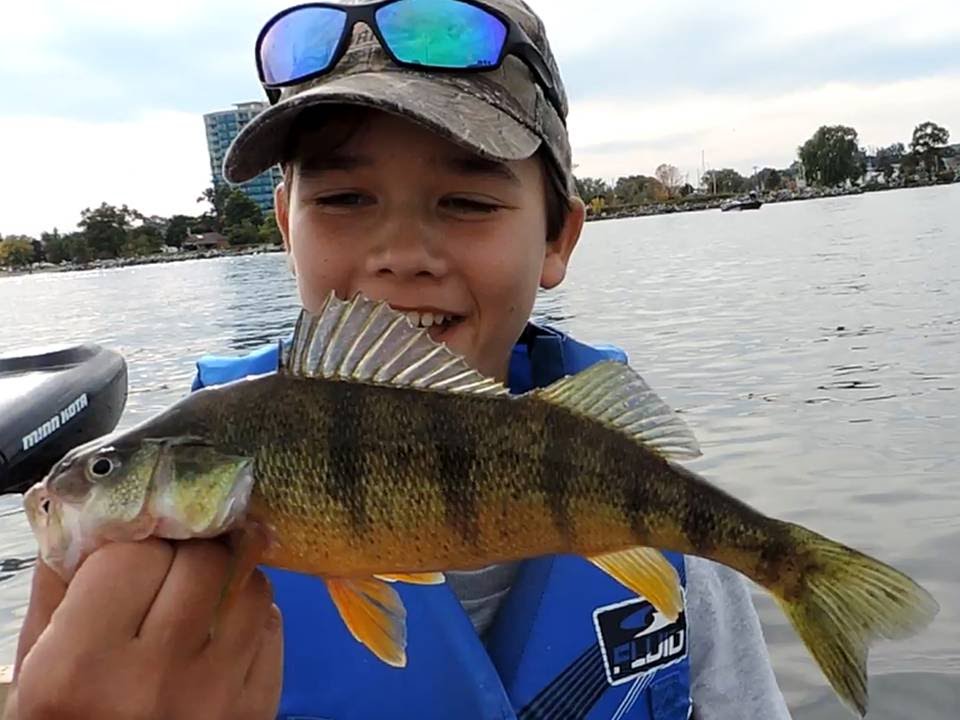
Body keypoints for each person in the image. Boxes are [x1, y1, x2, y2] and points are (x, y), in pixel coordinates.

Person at [6, 1, 791, 718]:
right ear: (285, 225)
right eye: (345, 199)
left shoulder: (652, 512)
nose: (402, 255)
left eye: (469, 201)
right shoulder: (141, 613)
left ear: (558, 238)